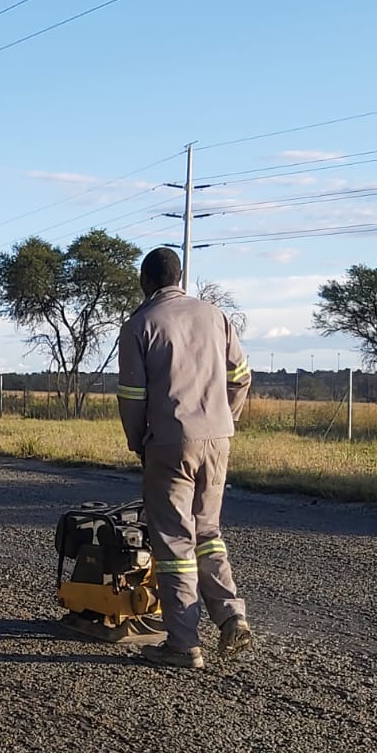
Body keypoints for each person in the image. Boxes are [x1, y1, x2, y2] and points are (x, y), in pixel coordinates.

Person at [117, 247, 254, 669]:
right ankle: (231, 614)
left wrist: (139, 441)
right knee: (208, 532)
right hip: (218, 438)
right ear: (180, 277)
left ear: (145, 280)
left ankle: (183, 643)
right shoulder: (217, 316)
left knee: (175, 542)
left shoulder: (140, 324)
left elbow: (133, 397)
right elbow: (241, 377)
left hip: (170, 443)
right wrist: (223, 419)